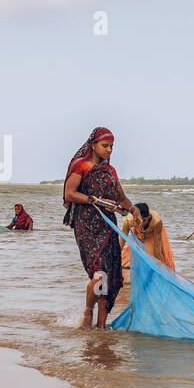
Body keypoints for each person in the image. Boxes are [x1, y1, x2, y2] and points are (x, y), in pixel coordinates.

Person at [63, 126, 133, 328]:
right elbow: (70, 193)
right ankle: (88, 312)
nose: (109, 150)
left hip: (108, 226)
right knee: (99, 275)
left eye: (111, 146)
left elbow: (122, 198)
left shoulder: (110, 171)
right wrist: (97, 201)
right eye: (105, 145)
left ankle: (100, 329)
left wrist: (133, 209)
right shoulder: (81, 166)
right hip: (86, 225)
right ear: (93, 145)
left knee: (110, 280)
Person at [120, 202, 175, 272]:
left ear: (149, 217)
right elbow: (122, 239)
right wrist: (117, 256)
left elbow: (157, 246)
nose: (141, 223)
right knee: (132, 257)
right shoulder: (129, 220)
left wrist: (158, 264)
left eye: (144, 220)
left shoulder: (156, 222)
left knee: (152, 256)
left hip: (152, 235)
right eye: (137, 221)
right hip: (138, 234)